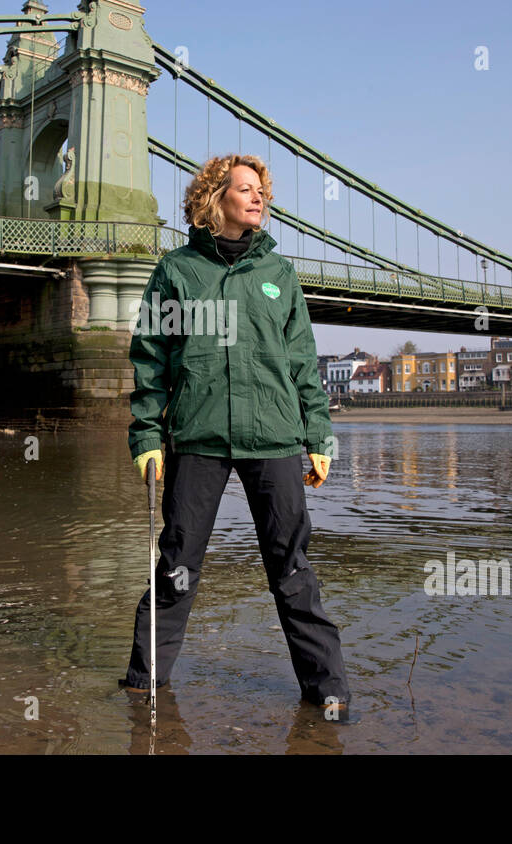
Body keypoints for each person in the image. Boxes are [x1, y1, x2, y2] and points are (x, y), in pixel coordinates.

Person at [120, 153, 351, 713]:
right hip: (197, 439)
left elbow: (302, 363)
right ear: (213, 198)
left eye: (262, 191)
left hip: (274, 439)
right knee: (177, 563)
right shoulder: (176, 272)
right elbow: (151, 359)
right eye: (245, 189)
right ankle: (144, 683)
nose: (258, 198)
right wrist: (147, 435)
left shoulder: (280, 275)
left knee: (292, 568)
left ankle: (328, 693)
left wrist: (319, 437)